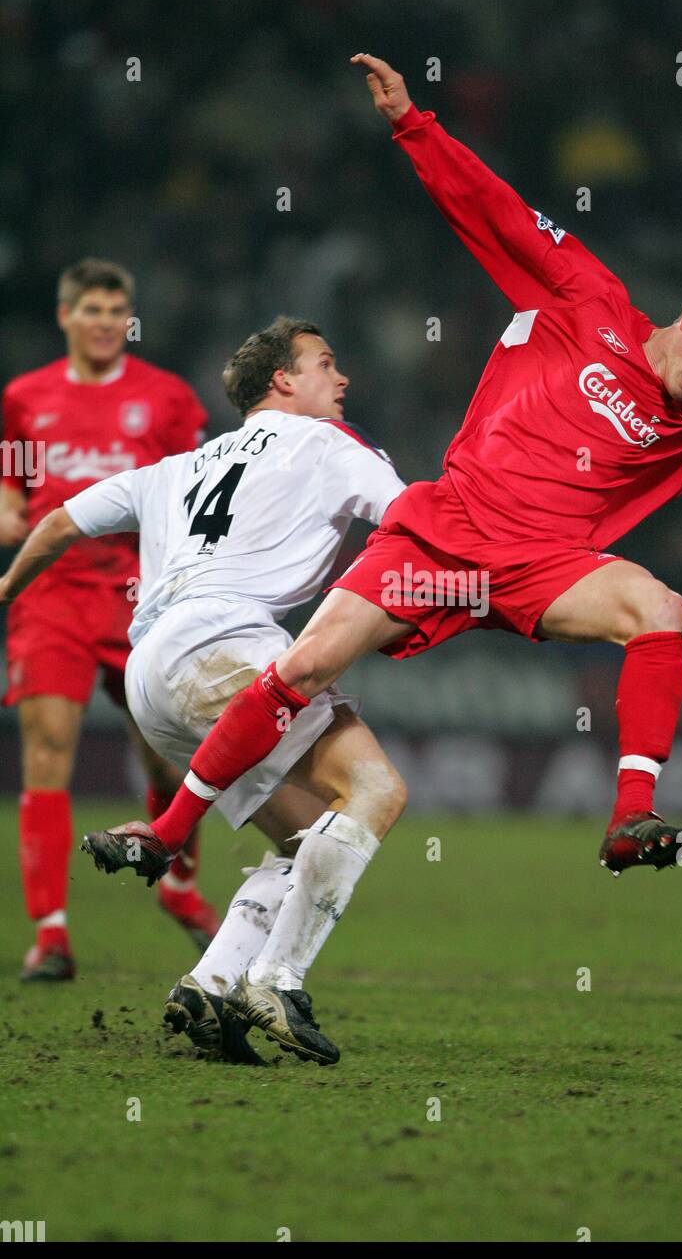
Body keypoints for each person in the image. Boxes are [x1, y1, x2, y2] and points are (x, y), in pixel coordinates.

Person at [76, 50, 682, 885]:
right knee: (302, 668)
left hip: (541, 565)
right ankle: (165, 833)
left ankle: (631, 812)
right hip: (444, 534)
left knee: (657, 605)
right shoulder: (585, 300)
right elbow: (494, 211)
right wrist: (414, 126)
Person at [0, 316, 407, 1065]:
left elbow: (57, 523)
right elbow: (410, 524)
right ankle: (277, 980)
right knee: (375, 791)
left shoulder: (175, 467)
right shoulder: (330, 445)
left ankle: (210, 981)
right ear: (284, 380)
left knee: (302, 843)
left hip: (150, 670)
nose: (341, 378)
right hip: (230, 649)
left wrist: (4, 589)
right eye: (326, 362)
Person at [0, 258, 219, 981]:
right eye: (90, 308)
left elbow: (194, 493)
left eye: (115, 309)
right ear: (65, 315)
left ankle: (178, 884)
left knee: (168, 755)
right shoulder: (25, 399)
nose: (104, 321)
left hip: (138, 595)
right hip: (52, 596)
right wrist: (10, 519)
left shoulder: (165, 400)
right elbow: (14, 487)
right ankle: (51, 935)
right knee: (45, 753)